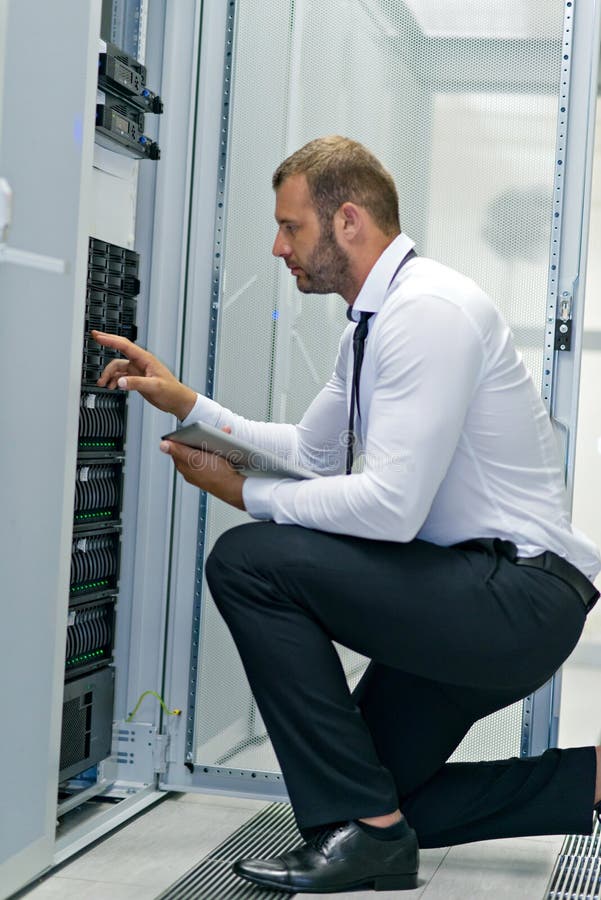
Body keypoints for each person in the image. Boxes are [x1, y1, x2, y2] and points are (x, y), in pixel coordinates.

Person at [93, 135, 601, 895]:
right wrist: (188, 406)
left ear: (349, 221)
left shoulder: (426, 313)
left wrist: (240, 494)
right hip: (469, 591)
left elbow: (391, 510)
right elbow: (314, 451)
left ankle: (369, 834)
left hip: (516, 597)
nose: (278, 246)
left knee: (247, 560)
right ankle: (582, 784)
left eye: (290, 226)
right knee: (364, 792)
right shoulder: (372, 322)